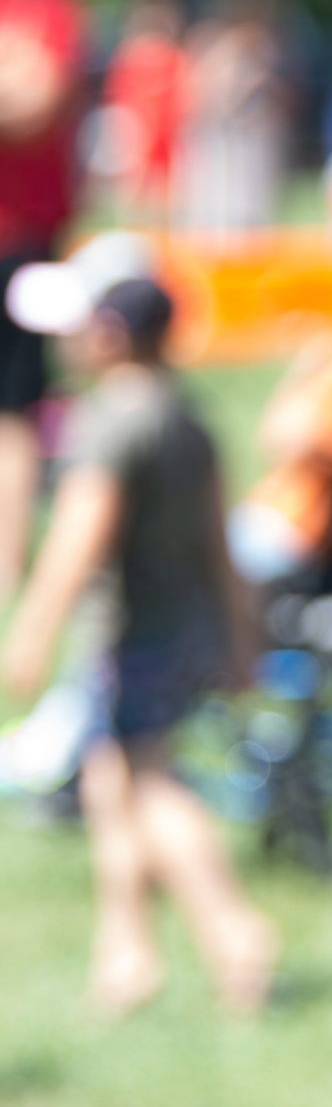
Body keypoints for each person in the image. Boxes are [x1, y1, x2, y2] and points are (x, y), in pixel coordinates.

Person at [0, 236, 277, 1017]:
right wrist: (242, 634)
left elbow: (81, 532)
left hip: (132, 637)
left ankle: (235, 932)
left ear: (110, 333)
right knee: (110, 784)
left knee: (152, 785)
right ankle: (129, 955)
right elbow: (224, 544)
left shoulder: (110, 424)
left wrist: (32, 627)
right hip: (186, 630)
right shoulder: (187, 417)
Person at [0, 0, 87, 605]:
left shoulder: (48, 8)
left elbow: (37, 105)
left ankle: (6, 567)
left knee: (17, 406)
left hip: (24, 238)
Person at [177, 0, 293, 238]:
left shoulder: (265, 49)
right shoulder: (217, 47)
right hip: (219, 147)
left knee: (250, 215)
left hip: (251, 149)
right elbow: (202, 98)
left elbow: (284, 102)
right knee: (215, 215)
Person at [102, 0, 192, 226]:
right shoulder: (129, 59)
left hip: (167, 135)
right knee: (134, 188)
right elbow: (119, 99)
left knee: (167, 192)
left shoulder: (175, 59)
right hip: (138, 133)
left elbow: (186, 97)